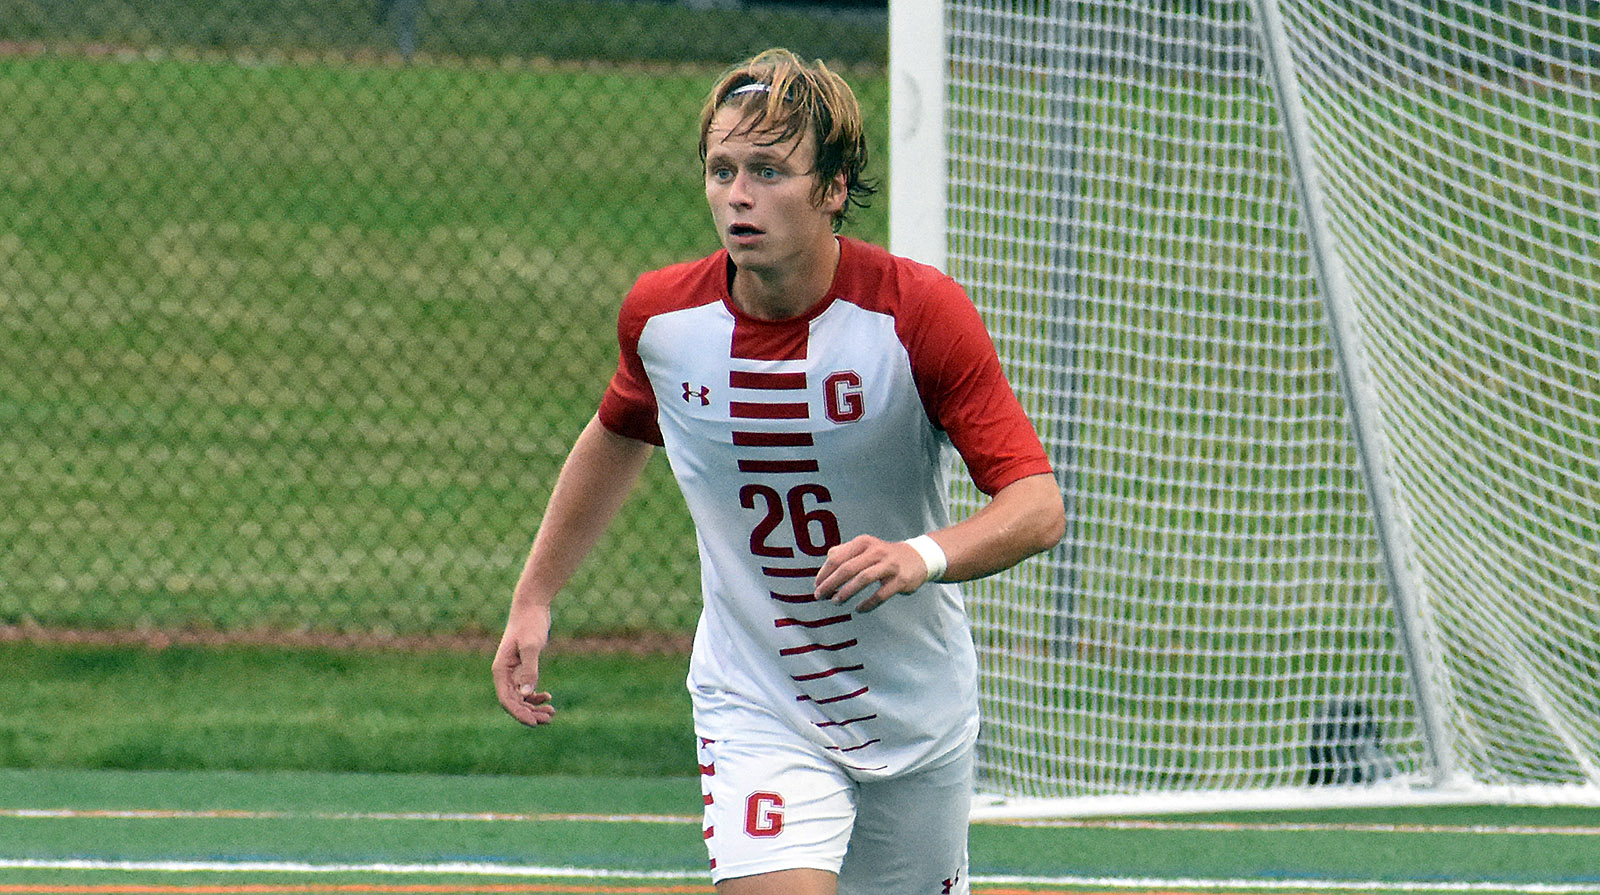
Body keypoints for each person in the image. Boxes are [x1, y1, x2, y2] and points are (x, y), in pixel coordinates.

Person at [493, 48, 1065, 895]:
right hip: (757, 699)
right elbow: (617, 433)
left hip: (915, 710)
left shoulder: (918, 316)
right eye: (721, 169)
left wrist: (922, 555)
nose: (738, 192)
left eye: (769, 169)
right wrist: (535, 593)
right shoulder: (664, 320)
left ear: (833, 188)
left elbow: (1037, 505)